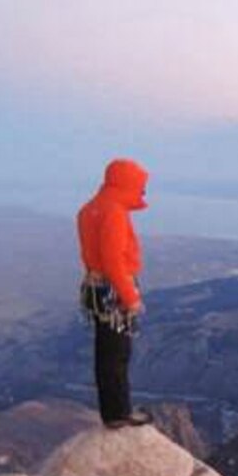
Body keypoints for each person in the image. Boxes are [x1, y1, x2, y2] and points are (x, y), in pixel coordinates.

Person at [77, 158, 154, 428]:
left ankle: (112, 411)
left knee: (105, 352)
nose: (143, 193)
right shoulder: (114, 213)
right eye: (140, 186)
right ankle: (119, 414)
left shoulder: (89, 210)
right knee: (118, 354)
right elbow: (113, 261)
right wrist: (130, 297)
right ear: (126, 184)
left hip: (95, 288)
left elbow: (94, 257)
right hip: (113, 292)